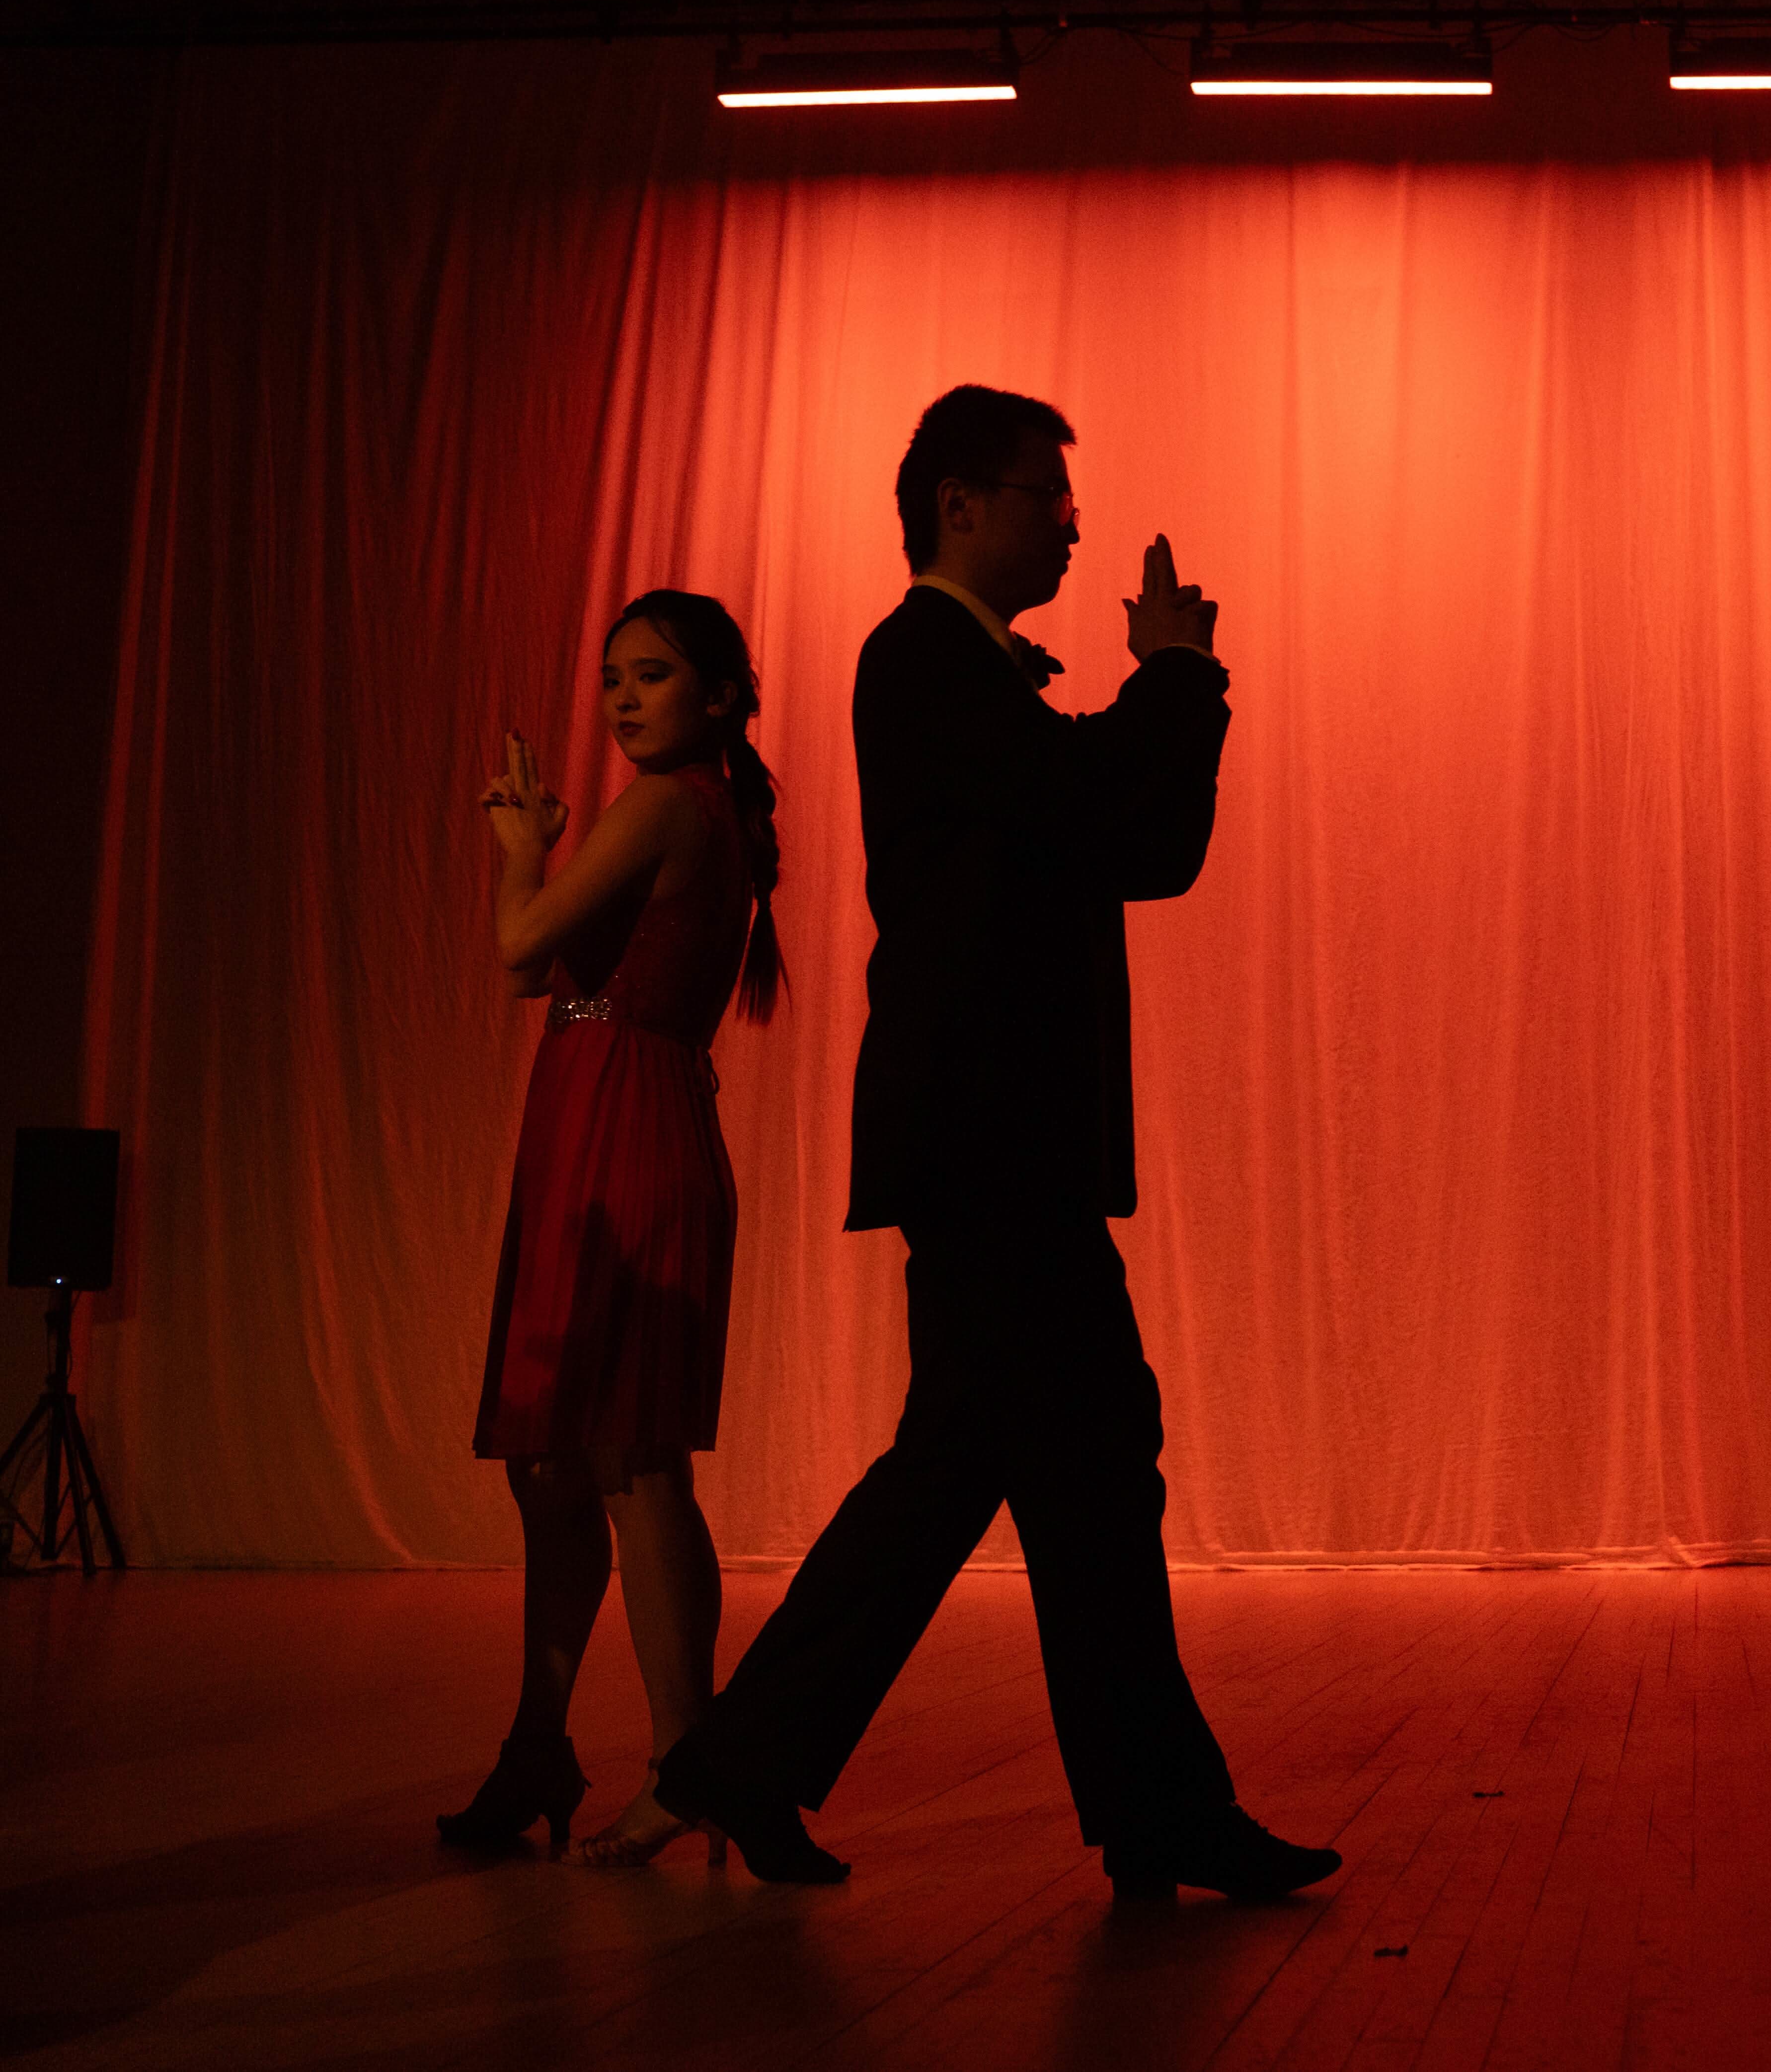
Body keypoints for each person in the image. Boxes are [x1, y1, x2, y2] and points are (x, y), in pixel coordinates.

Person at [651, 385, 1339, 1898]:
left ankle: (749, 1760)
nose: (1073, 521)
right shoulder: (918, 664)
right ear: (964, 503)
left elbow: (1142, 846)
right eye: (1049, 494)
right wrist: (1172, 678)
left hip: (993, 1144)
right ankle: (1155, 1810)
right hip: (991, 1145)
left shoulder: (965, 680)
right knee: (1085, 1464)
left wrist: (1184, 688)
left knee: (1005, 1469)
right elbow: (1096, 803)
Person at [438, 591, 785, 1865]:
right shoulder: (688, 808)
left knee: (633, 1467)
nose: (623, 699)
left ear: (718, 696)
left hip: (624, 1126)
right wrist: (538, 857)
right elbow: (546, 967)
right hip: (591, 1117)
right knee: (557, 1468)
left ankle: (686, 1760)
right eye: (610, 680)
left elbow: (520, 943)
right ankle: (541, 1741)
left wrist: (520, 847)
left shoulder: (667, 804)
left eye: (650, 676)